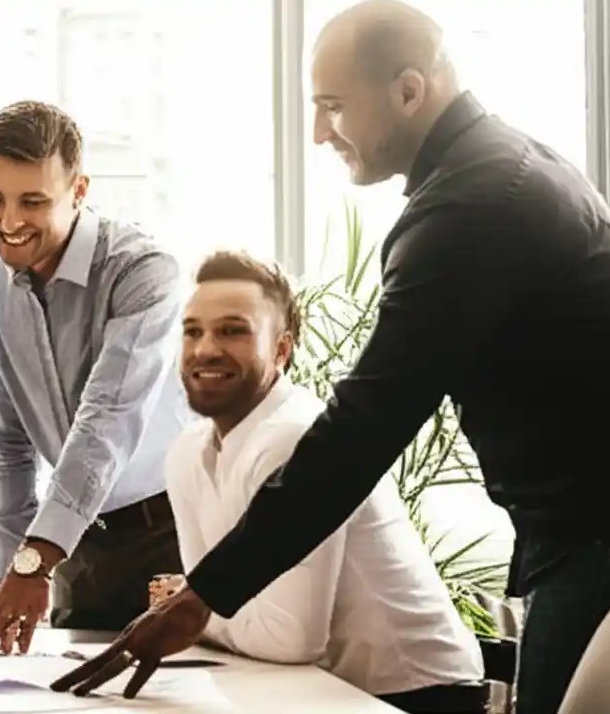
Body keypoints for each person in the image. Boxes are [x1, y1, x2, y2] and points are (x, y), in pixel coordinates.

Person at [52, 0, 610, 712]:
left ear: (410, 91)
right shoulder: (503, 171)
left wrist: (201, 597)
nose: (319, 133)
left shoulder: (470, 211)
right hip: (582, 534)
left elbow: (364, 427)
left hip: (599, 537)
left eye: (332, 107)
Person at [164, 251, 484, 712]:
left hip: (415, 695)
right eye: (193, 331)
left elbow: (291, 640)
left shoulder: (293, 435)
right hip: (315, 692)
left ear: (282, 350)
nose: (205, 348)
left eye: (232, 330)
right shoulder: (187, 453)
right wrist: (197, 605)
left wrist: (190, 607)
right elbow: (212, 605)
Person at [0, 100, 190, 654]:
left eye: (32, 202)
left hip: (173, 537)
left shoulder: (141, 271)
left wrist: (33, 563)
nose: (8, 223)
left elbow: (104, 423)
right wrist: (4, 578)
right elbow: (3, 440)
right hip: (73, 546)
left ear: (79, 190)